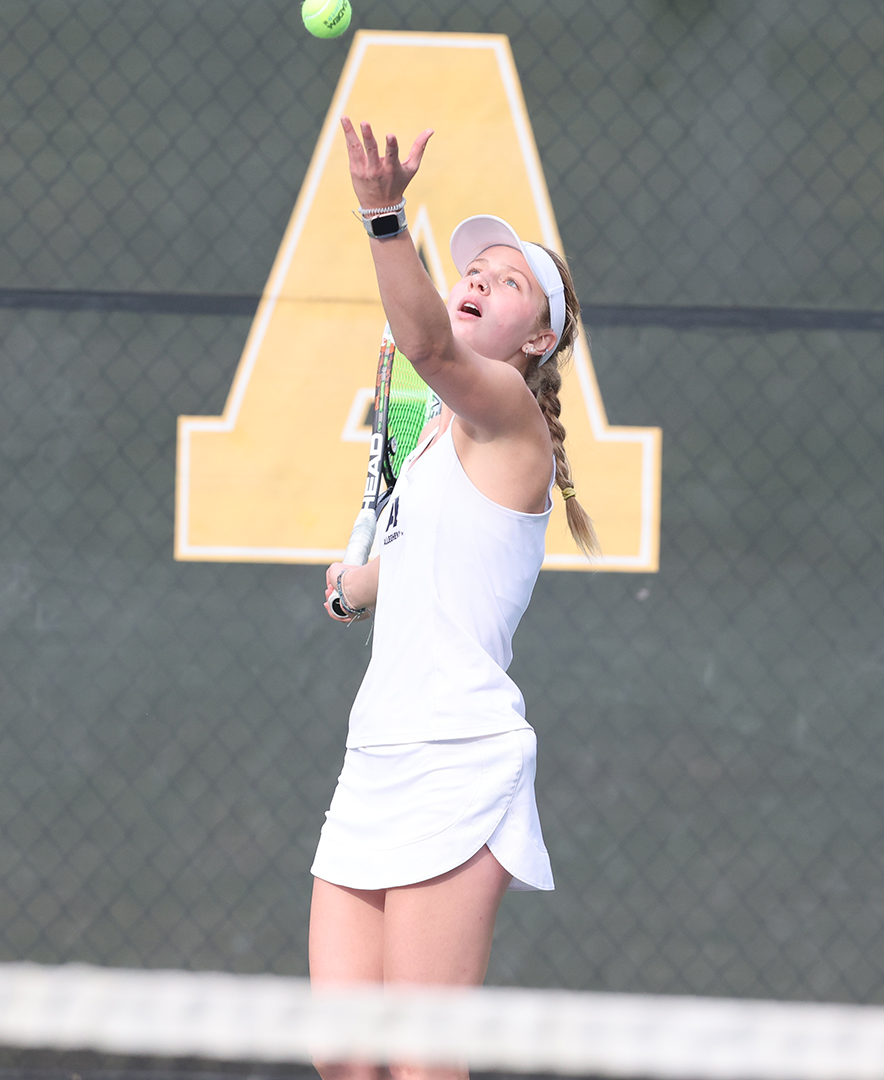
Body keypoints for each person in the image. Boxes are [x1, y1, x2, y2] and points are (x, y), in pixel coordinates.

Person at [309, 117, 599, 1080]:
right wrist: (360, 588)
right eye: (473, 269)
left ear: (542, 337)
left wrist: (384, 217)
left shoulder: (511, 418)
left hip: (457, 754)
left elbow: (428, 345)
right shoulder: (435, 443)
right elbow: (423, 561)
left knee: (423, 1067)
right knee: (344, 1059)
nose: (476, 279)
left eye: (506, 280)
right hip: (376, 751)